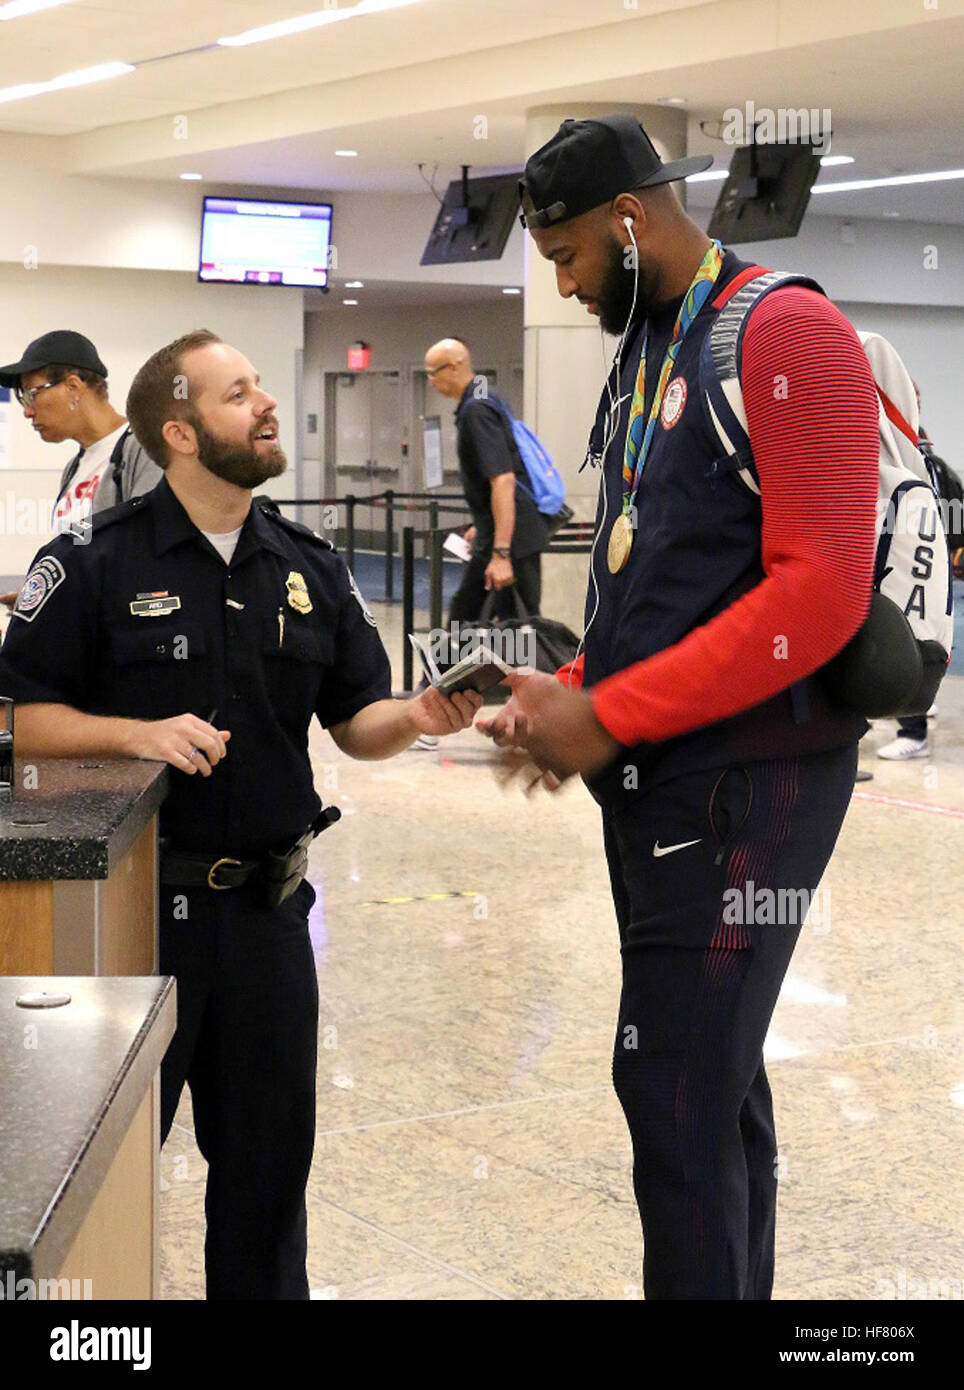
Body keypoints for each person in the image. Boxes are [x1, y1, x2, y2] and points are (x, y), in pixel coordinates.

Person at [477, 114, 881, 1299]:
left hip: (753, 781)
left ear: (630, 219)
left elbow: (818, 591)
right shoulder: (658, 344)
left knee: (672, 1086)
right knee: (713, 1078)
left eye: (567, 256)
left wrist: (612, 714)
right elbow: (661, 569)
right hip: (664, 774)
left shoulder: (785, 330)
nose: (562, 282)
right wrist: (582, 695)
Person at [0, 328, 480, 1300]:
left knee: (266, 1195)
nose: (265, 405)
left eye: (259, 387)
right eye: (237, 394)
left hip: (268, 918)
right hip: (134, 926)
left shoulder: (307, 563)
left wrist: (423, 716)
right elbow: (20, 716)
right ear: (178, 431)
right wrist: (133, 734)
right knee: (100, 1188)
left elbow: (357, 720)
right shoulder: (94, 561)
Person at [0, 330, 162, 608]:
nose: (27, 411)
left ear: (73, 387)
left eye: (31, 394)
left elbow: (146, 554)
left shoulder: (143, 448)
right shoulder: (74, 468)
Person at [423, 336, 547, 622]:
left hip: (510, 543)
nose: (430, 380)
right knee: (479, 621)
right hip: (500, 535)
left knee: (513, 627)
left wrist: (501, 553)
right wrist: (483, 526)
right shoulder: (485, 398)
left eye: (433, 372)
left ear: (454, 367)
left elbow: (503, 479)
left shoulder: (476, 410)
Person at [877, 387, 956, 760]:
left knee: (915, 629)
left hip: (914, 553)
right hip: (905, 548)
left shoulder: (917, 451)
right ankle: (917, 706)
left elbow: (950, 502)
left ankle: (914, 729)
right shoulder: (895, 440)